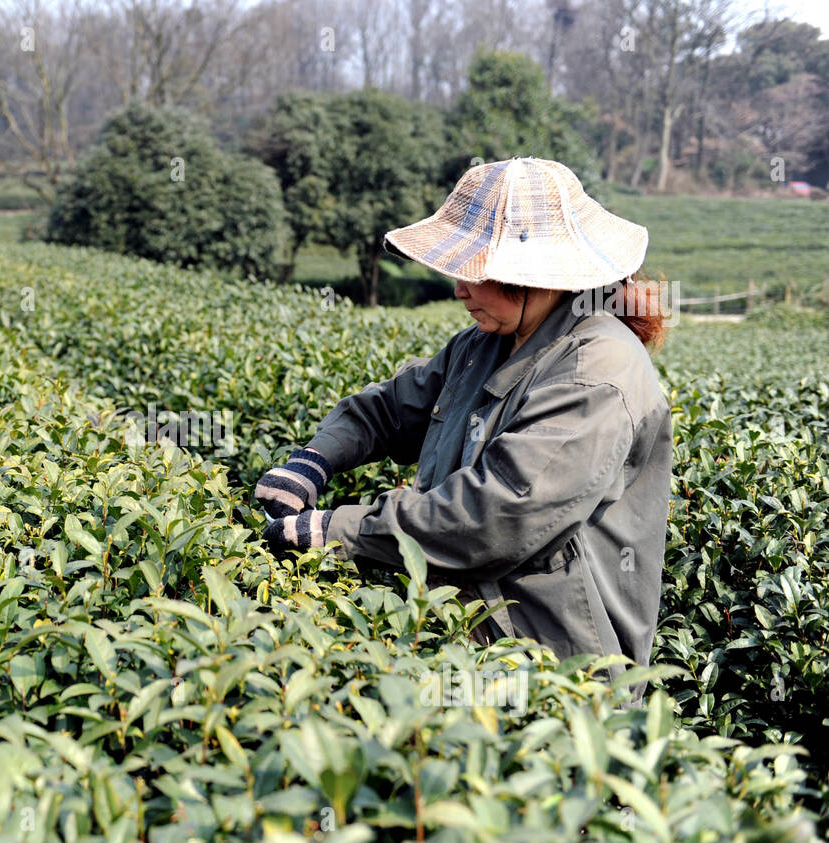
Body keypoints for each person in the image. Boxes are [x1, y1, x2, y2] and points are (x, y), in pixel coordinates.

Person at [256, 157, 672, 698]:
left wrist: (338, 529)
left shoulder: (597, 371)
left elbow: (497, 515)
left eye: (474, 272)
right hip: (470, 636)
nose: (458, 289)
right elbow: (392, 409)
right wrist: (315, 459)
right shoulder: (487, 343)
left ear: (533, 276)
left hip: (556, 669)